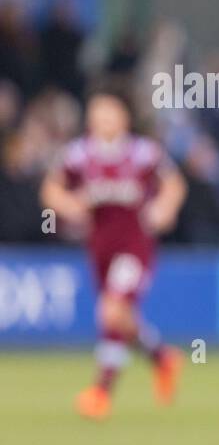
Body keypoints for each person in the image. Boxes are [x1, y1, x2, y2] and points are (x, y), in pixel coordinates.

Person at [40, 84, 187, 420]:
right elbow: (50, 190)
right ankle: (162, 357)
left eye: (110, 112)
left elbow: (175, 184)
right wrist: (69, 204)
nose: (103, 119)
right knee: (121, 317)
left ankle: (101, 392)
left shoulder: (143, 153)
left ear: (124, 118)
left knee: (111, 310)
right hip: (99, 246)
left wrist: (164, 207)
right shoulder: (78, 154)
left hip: (134, 245)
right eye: (97, 113)